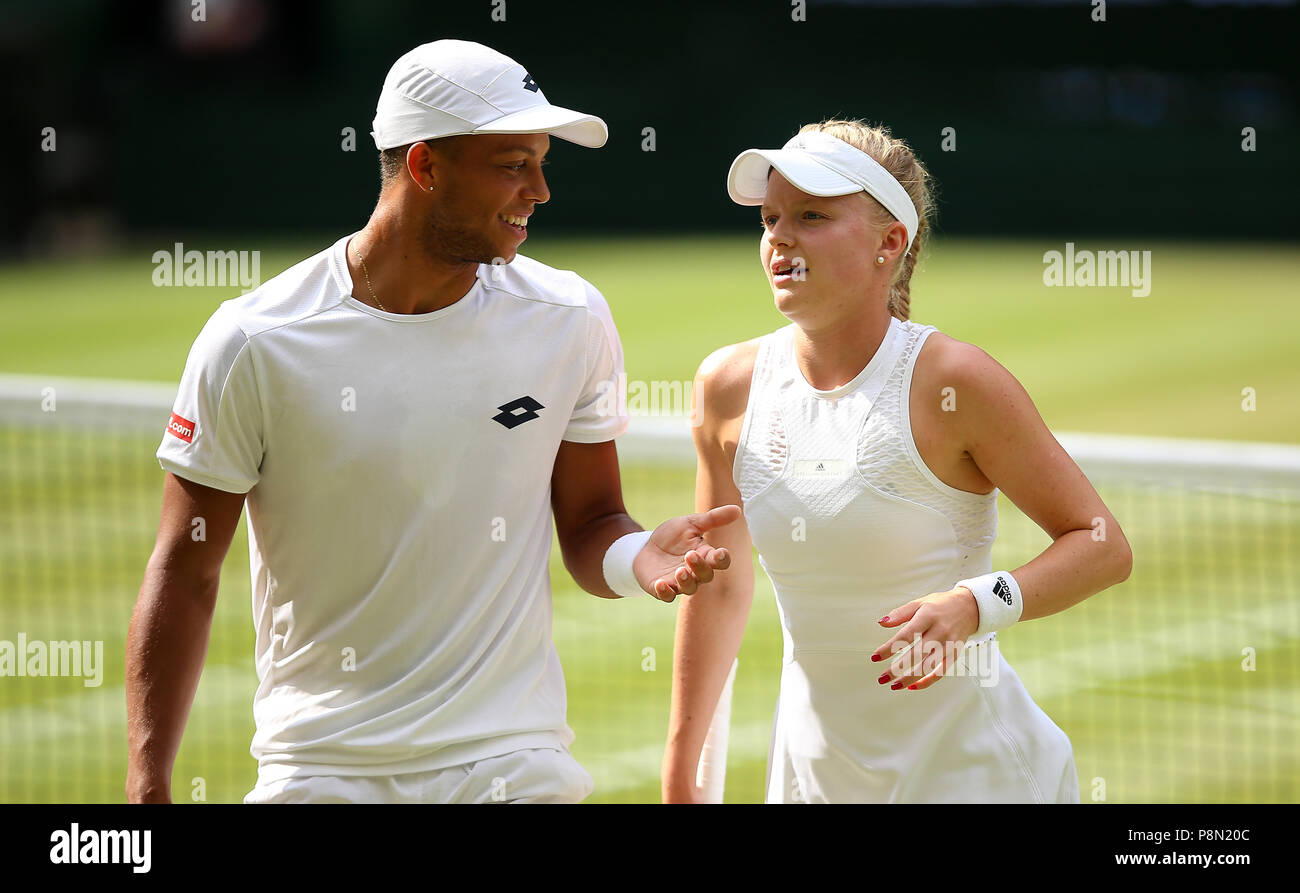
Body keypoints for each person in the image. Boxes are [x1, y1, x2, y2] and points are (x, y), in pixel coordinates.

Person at [125, 39, 739, 805]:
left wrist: (637, 558)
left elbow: (592, 520)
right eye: (514, 164)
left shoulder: (570, 319)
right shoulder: (252, 341)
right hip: (320, 771)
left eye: (543, 162)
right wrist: (146, 786)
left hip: (516, 764)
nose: (541, 190)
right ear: (424, 168)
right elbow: (186, 568)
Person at [662, 120, 1133, 804]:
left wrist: (976, 603)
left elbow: (1102, 544)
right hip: (810, 778)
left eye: (812, 215)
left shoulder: (955, 380)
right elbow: (720, 587)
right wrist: (685, 772)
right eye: (769, 219)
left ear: (890, 243)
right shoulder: (725, 386)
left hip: (980, 779)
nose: (779, 238)